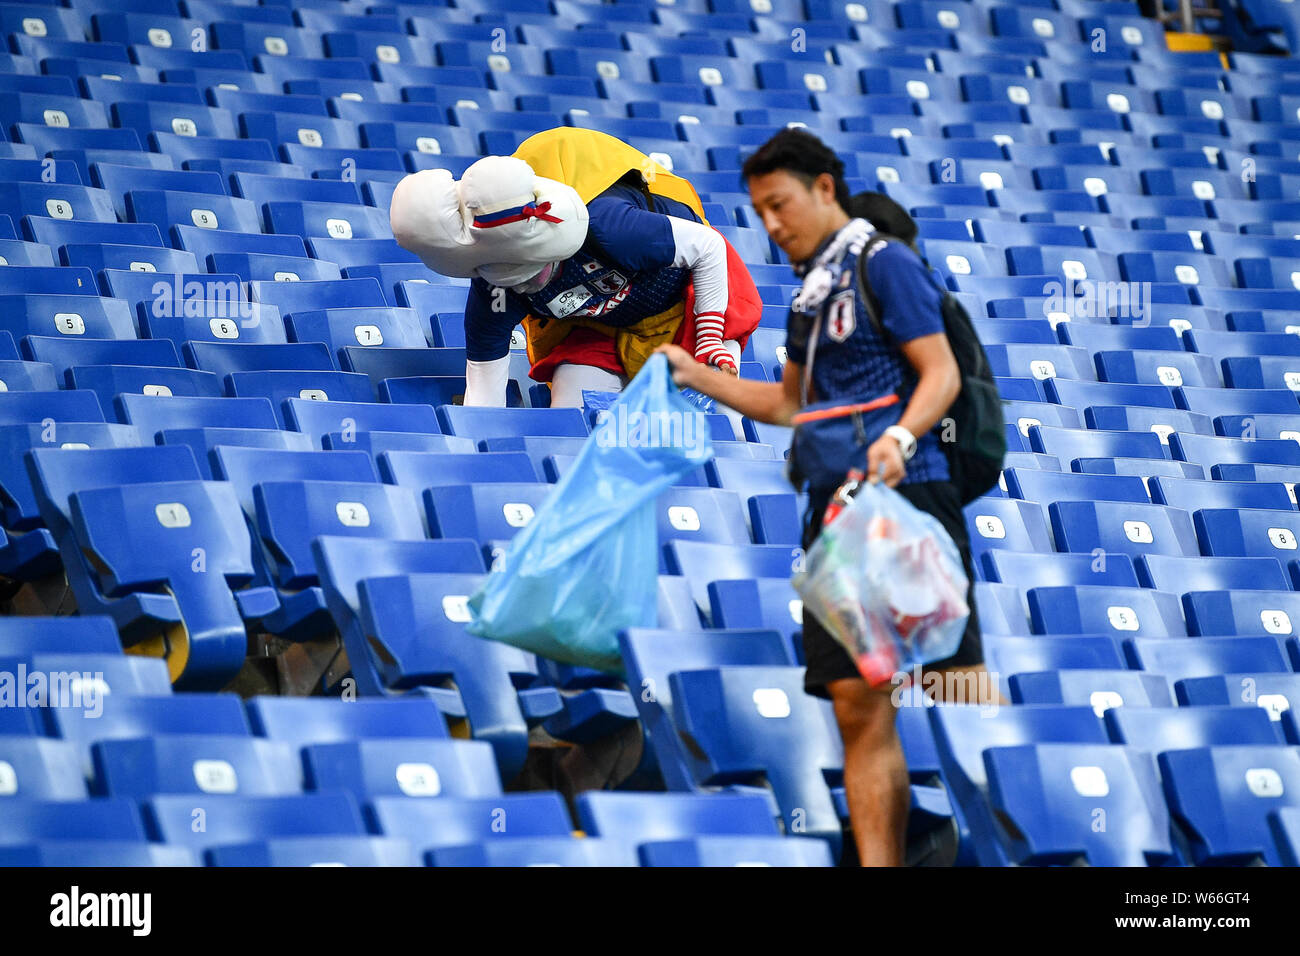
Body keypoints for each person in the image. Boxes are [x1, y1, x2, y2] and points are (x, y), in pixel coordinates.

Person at [655, 128, 996, 867]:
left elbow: (937, 375)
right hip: (834, 516)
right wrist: (694, 372)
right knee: (856, 704)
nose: (772, 224)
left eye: (780, 204)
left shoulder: (885, 263)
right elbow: (788, 404)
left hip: (907, 502)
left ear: (825, 190)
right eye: (760, 210)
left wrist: (901, 438)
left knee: (956, 689)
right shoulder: (810, 295)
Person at [390, 127, 761, 408]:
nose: (532, 285)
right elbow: (483, 396)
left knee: (711, 423)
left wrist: (710, 337)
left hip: (683, 311)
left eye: (533, 271)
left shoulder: (612, 226)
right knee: (573, 422)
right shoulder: (496, 291)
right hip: (599, 330)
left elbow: (709, 247)